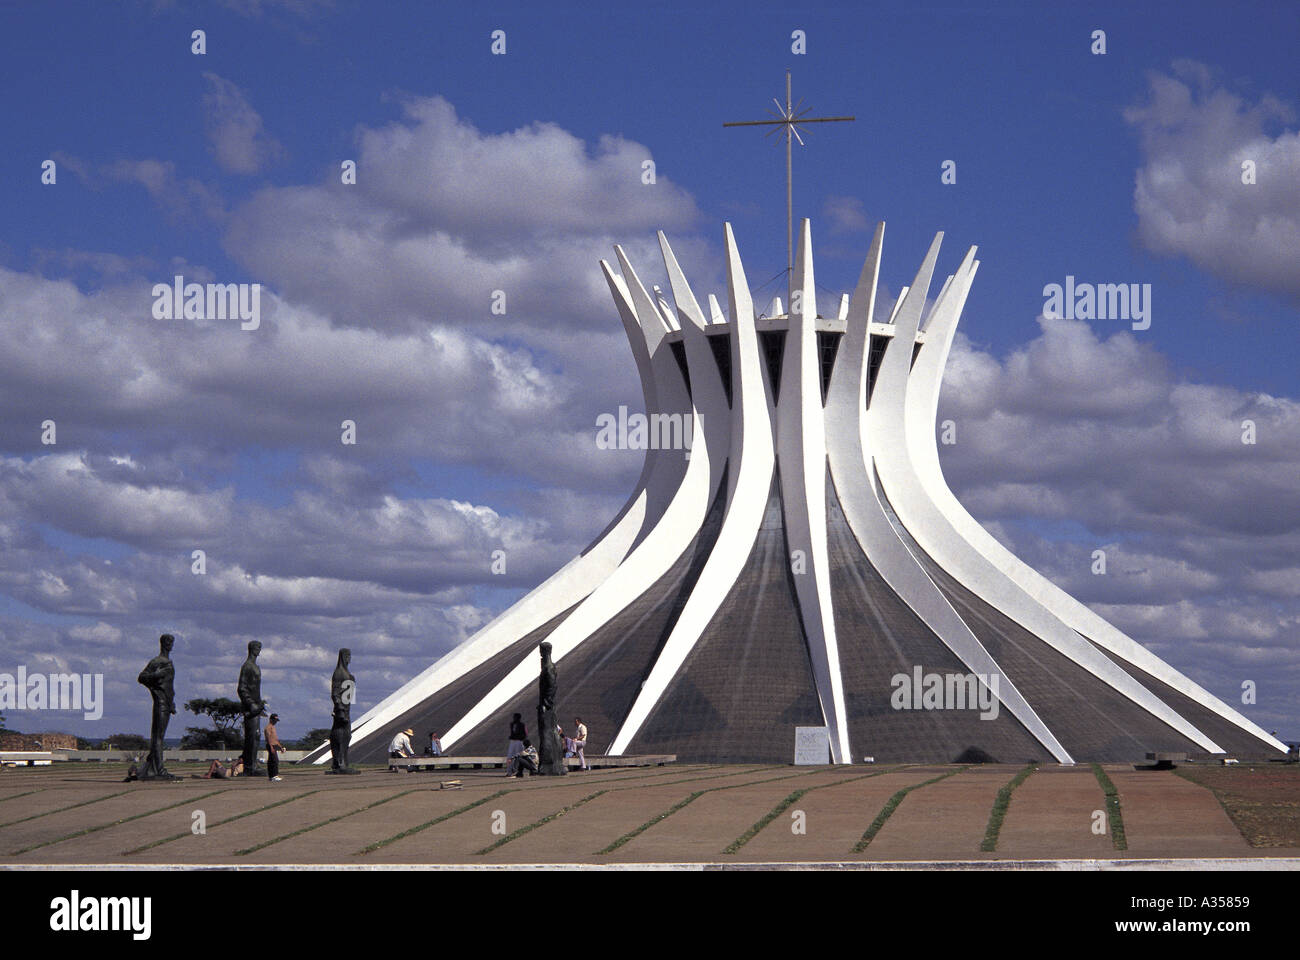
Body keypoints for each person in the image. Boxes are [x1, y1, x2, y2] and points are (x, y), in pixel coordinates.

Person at [265, 713, 285, 782]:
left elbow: (275, 739)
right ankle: (273, 776)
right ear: (271, 719)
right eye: (274, 720)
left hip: (274, 745)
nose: (276, 722)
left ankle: (274, 775)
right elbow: (268, 738)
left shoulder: (273, 727)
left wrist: (280, 747)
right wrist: (271, 747)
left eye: (276, 720)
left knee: (274, 760)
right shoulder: (268, 727)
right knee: (273, 761)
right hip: (271, 745)